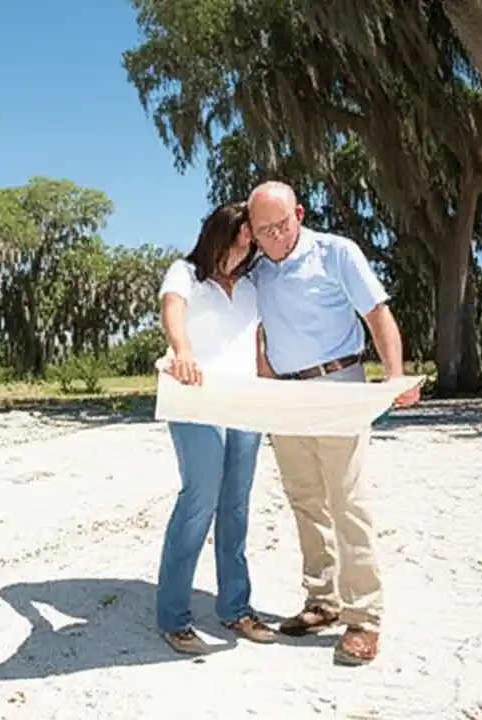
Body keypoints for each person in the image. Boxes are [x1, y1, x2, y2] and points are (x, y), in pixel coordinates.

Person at [246, 181, 419, 667]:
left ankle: (364, 617)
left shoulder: (337, 252)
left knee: (349, 501)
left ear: (299, 213)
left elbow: (377, 314)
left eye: (281, 226)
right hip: (286, 396)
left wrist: (396, 374)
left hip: (340, 385)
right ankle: (322, 601)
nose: (275, 238)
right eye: (264, 231)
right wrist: (262, 384)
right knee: (305, 501)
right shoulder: (259, 272)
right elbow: (256, 331)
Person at [154, 200, 276, 655]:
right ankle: (173, 616)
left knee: (236, 507)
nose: (247, 249)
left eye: (253, 243)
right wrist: (182, 351)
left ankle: (235, 608)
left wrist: (271, 388)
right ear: (221, 232)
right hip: (196, 397)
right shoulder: (184, 273)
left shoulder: (252, 286)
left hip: (245, 403)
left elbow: (257, 342)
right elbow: (173, 310)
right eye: (243, 236)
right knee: (199, 499)